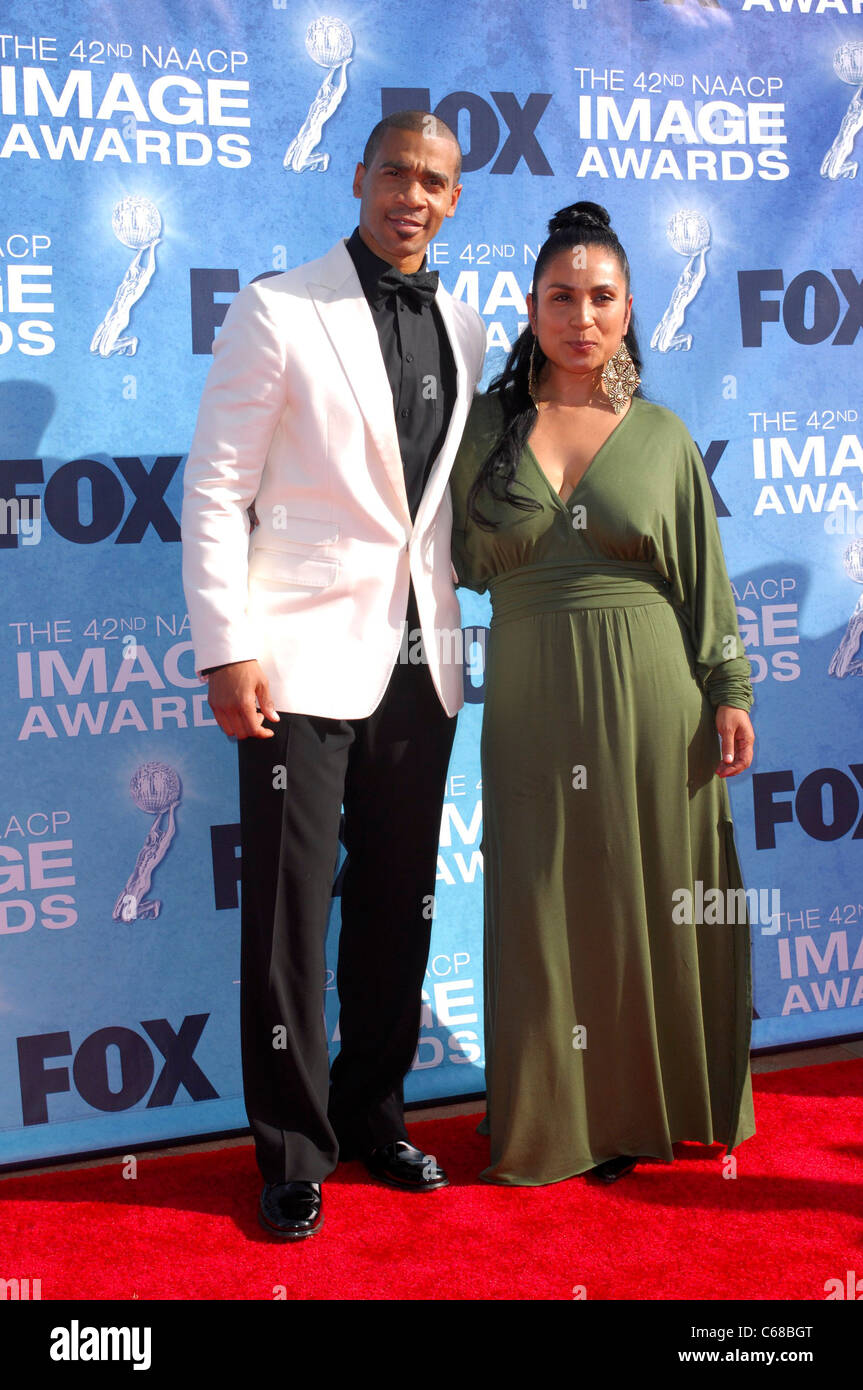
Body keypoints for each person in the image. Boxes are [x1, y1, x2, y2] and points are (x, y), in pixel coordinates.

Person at [181, 111, 486, 1237]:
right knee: (287, 917)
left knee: (398, 908)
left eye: (437, 180)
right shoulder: (278, 307)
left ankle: (373, 1112)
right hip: (296, 661)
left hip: (421, 663)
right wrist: (227, 645)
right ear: (358, 179)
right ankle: (291, 1146)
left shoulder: (461, 317)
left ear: (455, 200)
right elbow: (215, 488)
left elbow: (436, 513)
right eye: (397, 172)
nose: (414, 193)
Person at [448, 201, 756, 1186]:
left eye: (601, 297)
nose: (580, 315)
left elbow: (702, 580)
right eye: (559, 296)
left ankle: (642, 1113)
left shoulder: (662, 434)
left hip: (653, 691)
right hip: (535, 689)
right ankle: (551, 1123)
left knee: (653, 896)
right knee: (540, 896)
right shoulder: (485, 427)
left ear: (627, 312)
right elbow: (455, 552)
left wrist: (729, 687)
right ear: (530, 307)